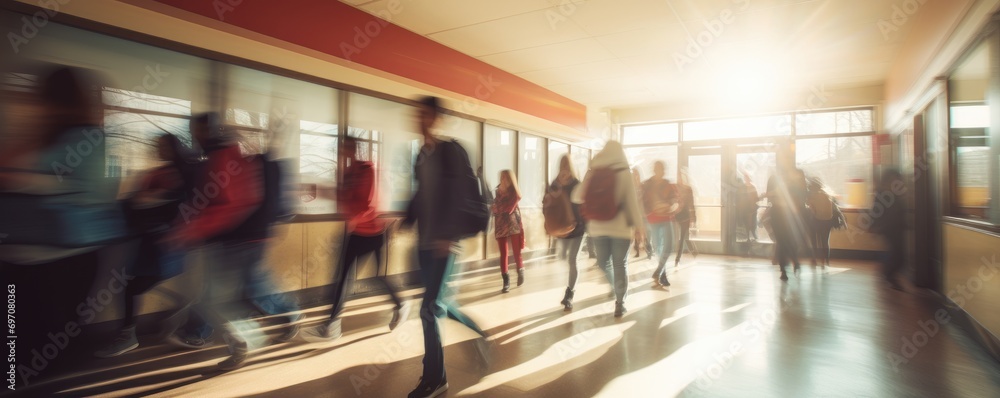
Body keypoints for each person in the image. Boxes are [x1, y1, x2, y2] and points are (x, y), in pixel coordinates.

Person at [0, 66, 127, 375]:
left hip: (65, 254)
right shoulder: (42, 134)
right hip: (24, 252)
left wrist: (22, 178)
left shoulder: (88, 138)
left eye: (45, 98)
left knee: (49, 341)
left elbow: (91, 191)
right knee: (21, 336)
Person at [163, 113, 300, 371]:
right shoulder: (220, 157)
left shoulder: (223, 158)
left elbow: (230, 204)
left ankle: (244, 337)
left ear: (209, 131)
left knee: (222, 296)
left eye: (198, 131)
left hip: (239, 238)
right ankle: (249, 332)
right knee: (242, 289)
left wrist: (188, 232)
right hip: (239, 237)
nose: (195, 136)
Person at [403, 96, 489, 398]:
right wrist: (403, 219)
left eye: (424, 114)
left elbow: (461, 194)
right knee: (436, 305)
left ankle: (435, 378)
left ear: (437, 118)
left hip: (443, 243)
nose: (419, 119)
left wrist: (448, 234)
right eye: (417, 114)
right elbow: (420, 193)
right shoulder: (421, 156)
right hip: (423, 242)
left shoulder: (451, 151)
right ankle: (476, 331)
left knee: (428, 309)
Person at [94, 134, 196, 358]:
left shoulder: (177, 173)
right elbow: (143, 200)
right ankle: (173, 312)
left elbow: (151, 201)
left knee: (133, 286)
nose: (156, 148)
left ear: (173, 148)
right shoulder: (166, 171)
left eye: (161, 145)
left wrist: (143, 200)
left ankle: (131, 334)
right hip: (155, 242)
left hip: (164, 243)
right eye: (155, 144)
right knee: (133, 285)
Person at [302, 135, 408, 342]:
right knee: (343, 277)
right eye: (340, 149)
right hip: (355, 232)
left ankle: (401, 304)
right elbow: (342, 198)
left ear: (354, 149)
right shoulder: (347, 173)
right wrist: (321, 192)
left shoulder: (367, 170)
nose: (342, 152)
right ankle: (332, 326)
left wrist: (353, 219)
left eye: (345, 148)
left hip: (374, 233)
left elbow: (370, 204)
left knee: (377, 277)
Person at [573, 141, 644, 318]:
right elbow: (631, 202)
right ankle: (620, 302)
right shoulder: (624, 172)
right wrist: (639, 227)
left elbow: (576, 197)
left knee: (604, 263)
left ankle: (615, 288)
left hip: (597, 227)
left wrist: (589, 174)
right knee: (621, 264)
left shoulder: (594, 171)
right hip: (620, 227)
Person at [549, 155, 585, 310]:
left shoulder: (578, 184)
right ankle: (570, 289)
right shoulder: (555, 184)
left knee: (572, 259)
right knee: (563, 256)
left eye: (567, 165)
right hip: (561, 228)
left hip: (577, 227)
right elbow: (548, 202)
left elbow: (583, 205)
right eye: (562, 164)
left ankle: (569, 293)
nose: (564, 168)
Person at [766, 161, 807, 281]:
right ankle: (793, 262)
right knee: (789, 241)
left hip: (778, 214)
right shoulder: (796, 182)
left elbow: (769, 196)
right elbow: (801, 199)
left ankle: (784, 269)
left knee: (782, 241)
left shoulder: (774, 179)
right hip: (790, 215)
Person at [869, 169, 906, 290]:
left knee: (897, 251)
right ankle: (888, 274)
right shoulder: (883, 194)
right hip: (889, 227)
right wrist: (874, 226)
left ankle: (888, 274)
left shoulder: (892, 192)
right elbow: (876, 211)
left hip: (895, 226)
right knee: (897, 252)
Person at [490, 169, 525, 293]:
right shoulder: (496, 191)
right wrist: (495, 207)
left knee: (516, 252)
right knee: (503, 253)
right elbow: (493, 208)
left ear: (511, 180)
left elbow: (508, 209)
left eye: (506, 177)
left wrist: (497, 207)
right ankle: (506, 281)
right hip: (500, 224)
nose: (503, 179)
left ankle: (520, 270)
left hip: (513, 224)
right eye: (502, 177)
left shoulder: (514, 193)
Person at [644, 161, 678, 287]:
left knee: (668, 247)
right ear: (654, 170)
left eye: (662, 169)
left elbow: (674, 200)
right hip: (653, 219)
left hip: (666, 218)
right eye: (658, 169)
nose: (661, 171)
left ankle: (658, 271)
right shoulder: (647, 184)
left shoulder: (667, 184)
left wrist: (670, 206)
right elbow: (642, 202)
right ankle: (662, 274)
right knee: (658, 248)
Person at [806, 177, 837, 268]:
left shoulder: (812, 196)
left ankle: (814, 259)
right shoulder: (827, 195)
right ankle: (825, 261)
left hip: (816, 221)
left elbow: (811, 208)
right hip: (828, 221)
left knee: (814, 241)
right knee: (824, 241)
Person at [674, 168, 698, 266]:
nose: (680, 178)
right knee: (684, 237)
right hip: (676, 215)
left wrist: (693, 217)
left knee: (683, 236)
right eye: (679, 176)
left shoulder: (688, 189)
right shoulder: (674, 188)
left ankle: (677, 258)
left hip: (685, 216)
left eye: (681, 176)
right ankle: (693, 251)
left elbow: (691, 204)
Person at [631, 167, 652, 259]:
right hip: (636, 215)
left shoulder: (643, 186)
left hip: (644, 214)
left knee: (646, 234)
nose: (635, 176)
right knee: (637, 234)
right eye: (634, 174)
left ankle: (649, 251)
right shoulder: (631, 188)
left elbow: (646, 198)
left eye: (636, 174)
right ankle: (638, 252)